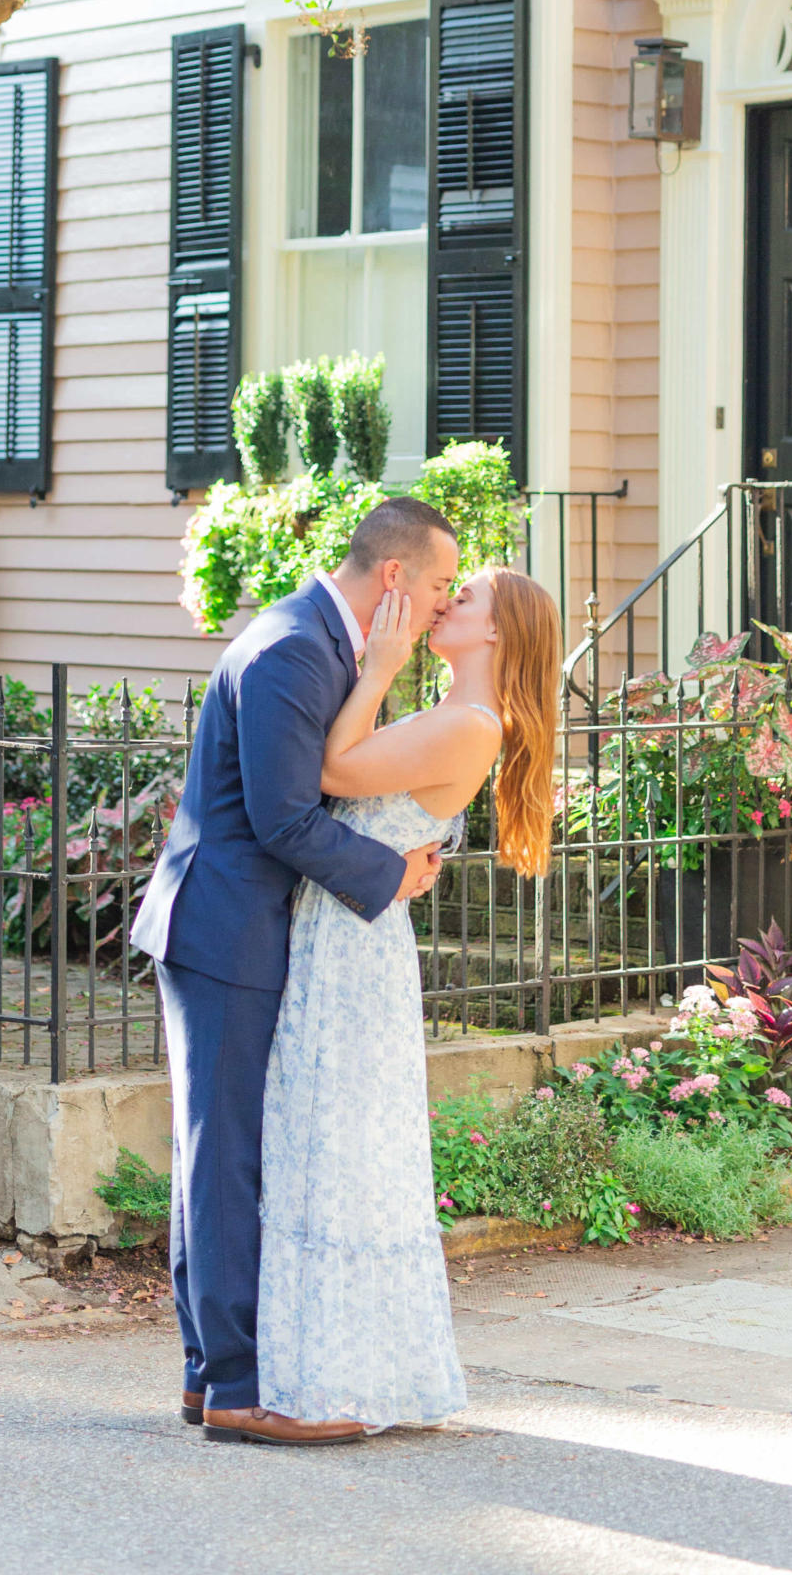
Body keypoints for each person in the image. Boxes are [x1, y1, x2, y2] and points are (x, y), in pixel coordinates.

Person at [130, 498, 460, 1447]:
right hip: (225, 930)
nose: (445, 601)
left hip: (244, 927)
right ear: (394, 576)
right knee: (224, 1159)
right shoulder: (292, 650)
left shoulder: (329, 644)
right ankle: (234, 1391)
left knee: (224, 1153)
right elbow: (281, 817)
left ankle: (210, 1376)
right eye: (439, 582)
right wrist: (388, 874)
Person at [255, 565, 562, 1432]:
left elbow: (331, 771)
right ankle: (340, 1372)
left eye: (463, 599)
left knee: (340, 1155)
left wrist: (379, 664)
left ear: (495, 633)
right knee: (329, 1147)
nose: (442, 602)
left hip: (352, 952)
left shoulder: (468, 723)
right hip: (346, 931)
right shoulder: (455, 716)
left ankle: (334, 1386)